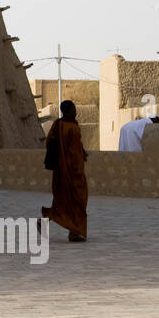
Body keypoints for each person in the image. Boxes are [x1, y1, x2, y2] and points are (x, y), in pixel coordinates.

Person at [42, 100, 88, 241]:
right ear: (69, 111)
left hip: (60, 171)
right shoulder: (72, 128)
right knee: (78, 201)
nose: (75, 111)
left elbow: (49, 141)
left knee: (62, 200)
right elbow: (74, 151)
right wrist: (78, 167)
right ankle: (74, 231)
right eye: (74, 109)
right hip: (72, 172)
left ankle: (71, 231)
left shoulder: (57, 124)